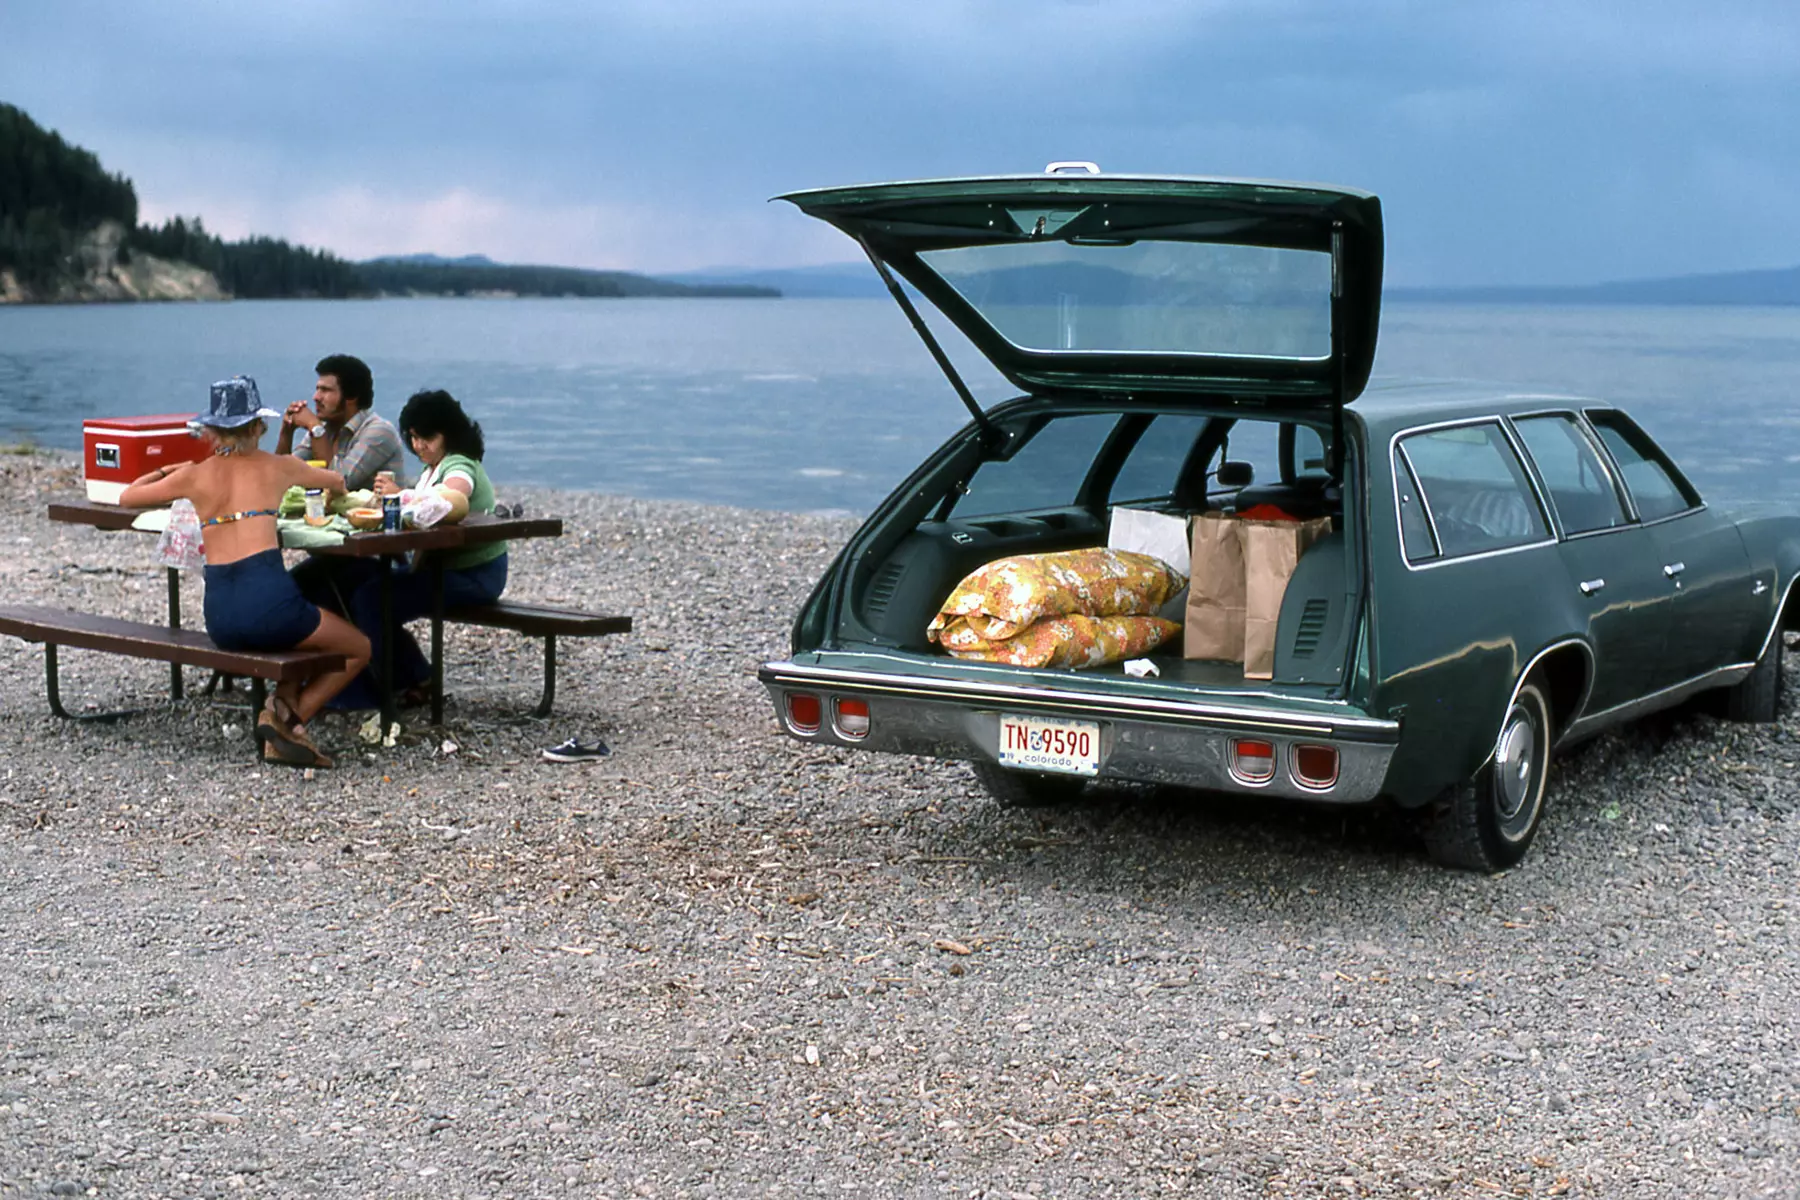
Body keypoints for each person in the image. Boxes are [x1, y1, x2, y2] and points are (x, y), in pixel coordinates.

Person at [120, 376, 370, 769]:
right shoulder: (280, 467)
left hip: (220, 619)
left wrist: (167, 469)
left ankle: (282, 718)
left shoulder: (193, 474)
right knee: (357, 647)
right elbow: (338, 480)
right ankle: (288, 719)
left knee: (304, 631)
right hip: (271, 606)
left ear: (212, 431)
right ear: (258, 427)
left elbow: (128, 496)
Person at [334, 389, 508, 711]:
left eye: (426, 437)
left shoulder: (458, 464)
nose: (418, 446)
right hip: (440, 567)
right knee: (357, 585)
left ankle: (409, 680)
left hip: (473, 574)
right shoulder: (432, 469)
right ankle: (403, 676)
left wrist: (402, 495)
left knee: (372, 599)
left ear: (448, 433)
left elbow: (454, 494)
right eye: (413, 437)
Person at [278, 354, 404, 614]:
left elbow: (340, 482)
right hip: (337, 549)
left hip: (375, 553)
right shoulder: (326, 429)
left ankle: (362, 651)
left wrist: (314, 427)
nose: (315, 397)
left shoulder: (378, 431)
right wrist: (286, 432)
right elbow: (280, 474)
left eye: (325, 390)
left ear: (351, 397)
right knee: (286, 592)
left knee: (303, 596)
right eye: (316, 388)